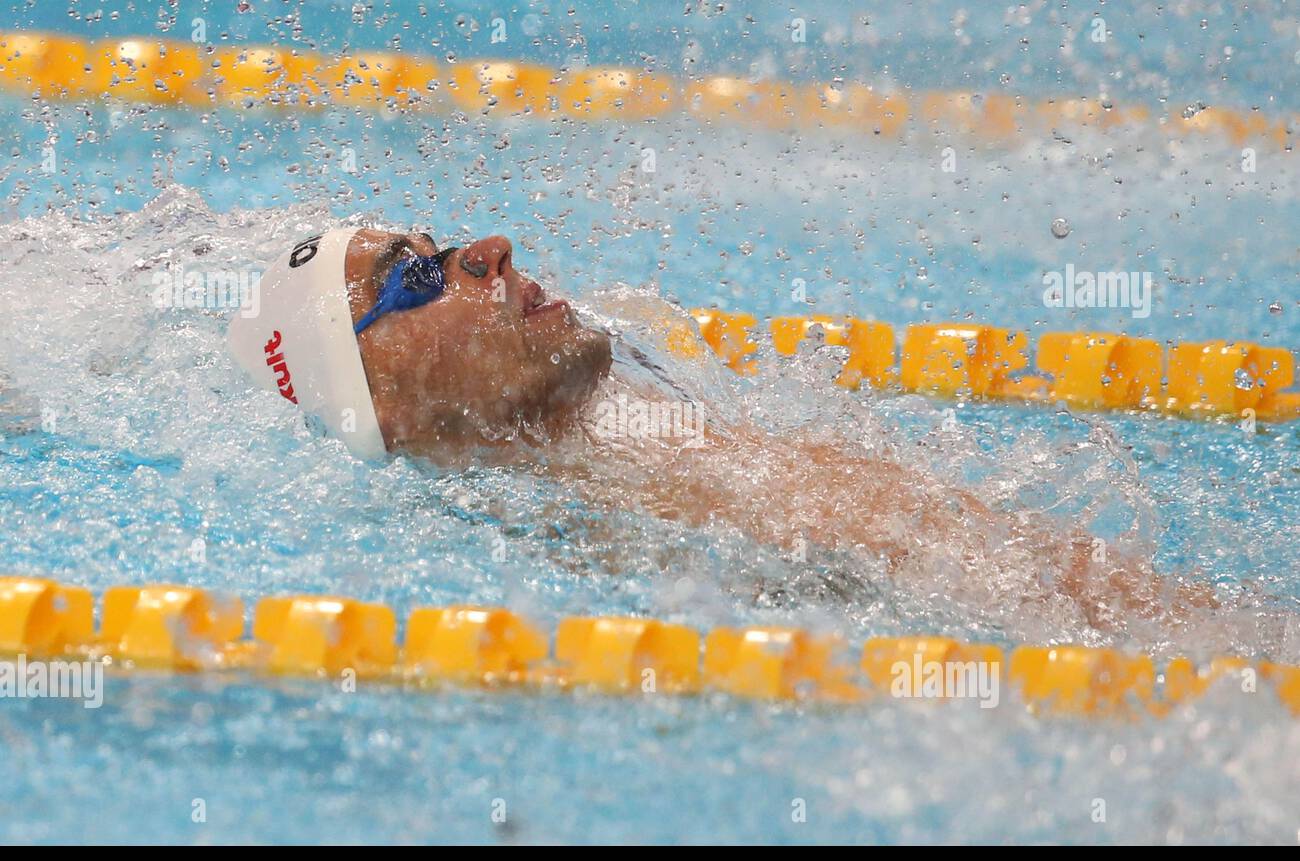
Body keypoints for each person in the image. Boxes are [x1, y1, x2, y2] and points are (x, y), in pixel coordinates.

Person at [231, 227, 1239, 637]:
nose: (489, 249)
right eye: (420, 275)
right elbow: (1038, 585)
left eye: (447, 245)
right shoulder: (649, 459)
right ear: (388, 409)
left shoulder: (565, 471)